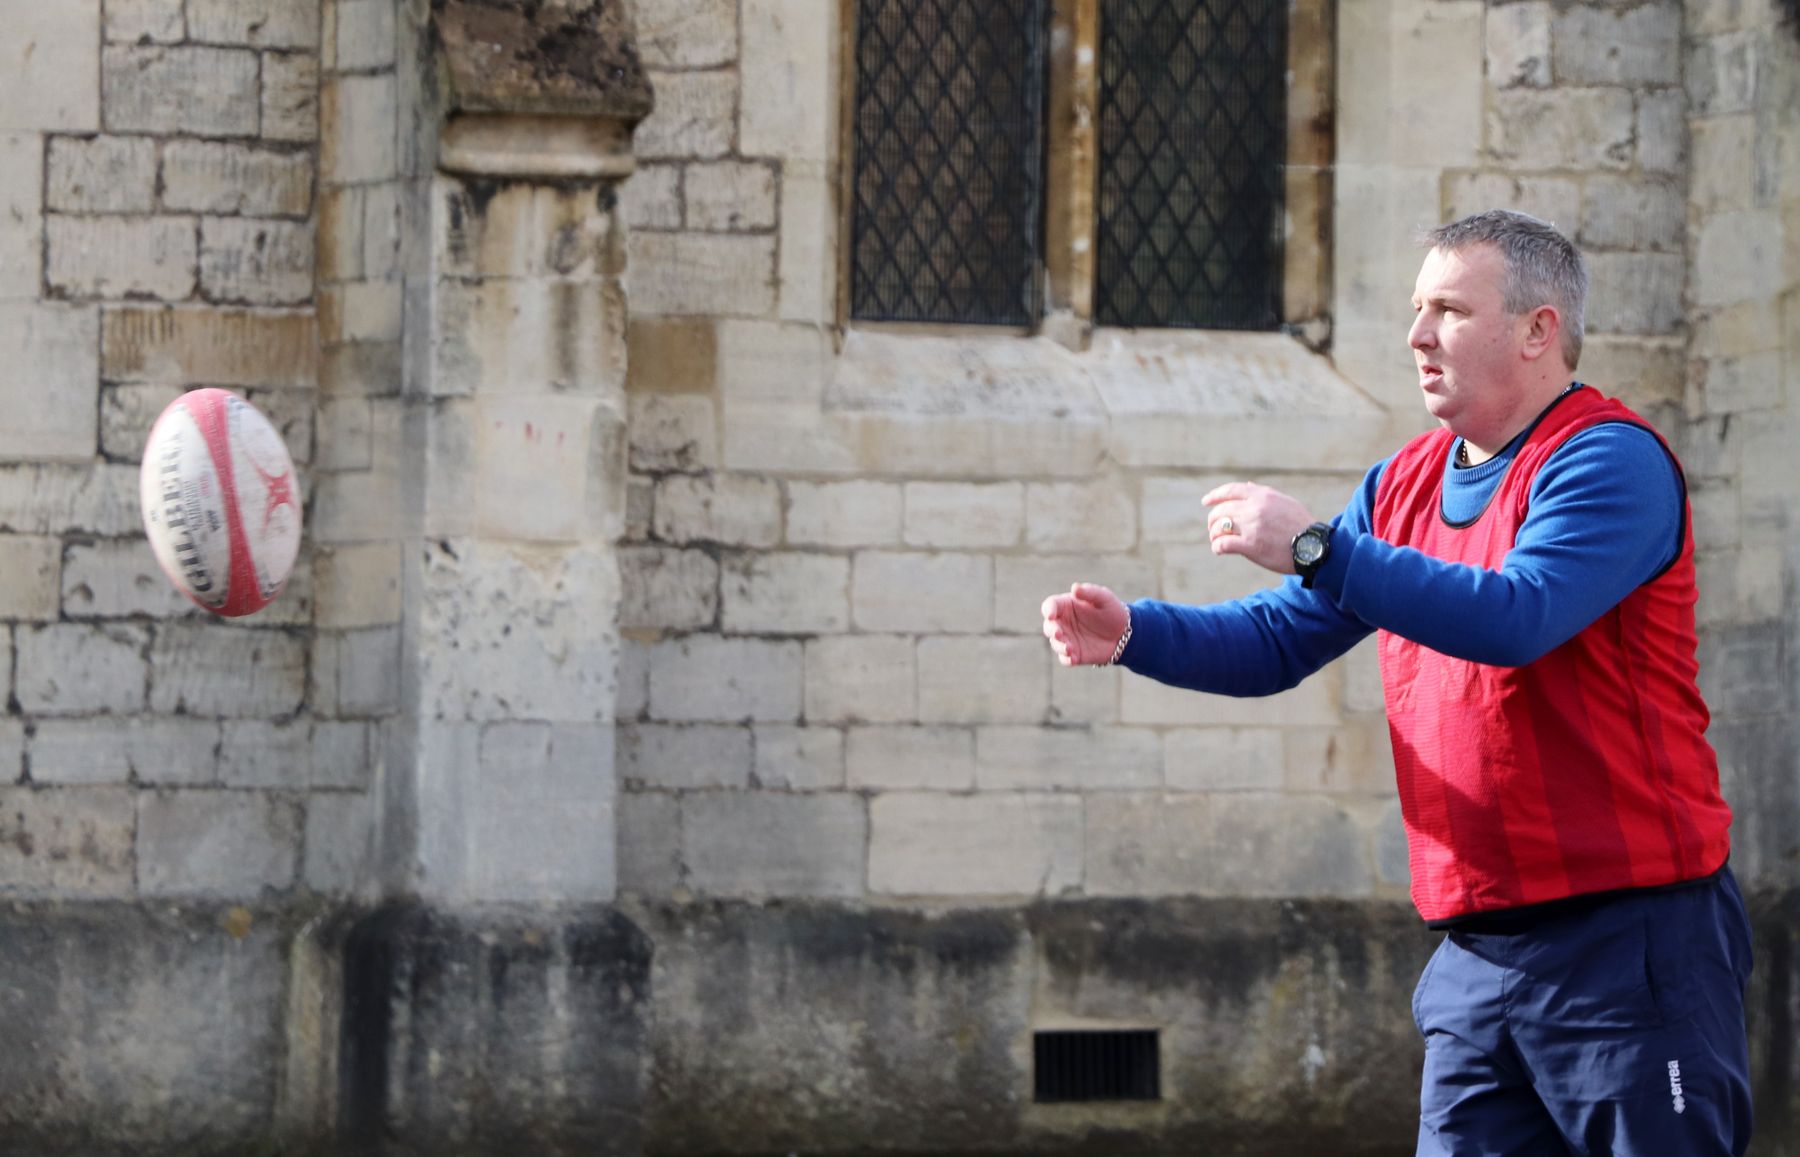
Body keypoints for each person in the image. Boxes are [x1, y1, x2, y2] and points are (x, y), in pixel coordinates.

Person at [1042, 210, 1752, 1156]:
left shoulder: (1608, 459)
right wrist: (1136, 632)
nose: (1416, 334)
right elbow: (1279, 641)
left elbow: (1516, 616)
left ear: (1540, 330)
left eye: (1450, 310)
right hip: (1475, 960)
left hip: (1630, 950)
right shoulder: (1404, 482)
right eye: (1418, 308)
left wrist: (1312, 546)